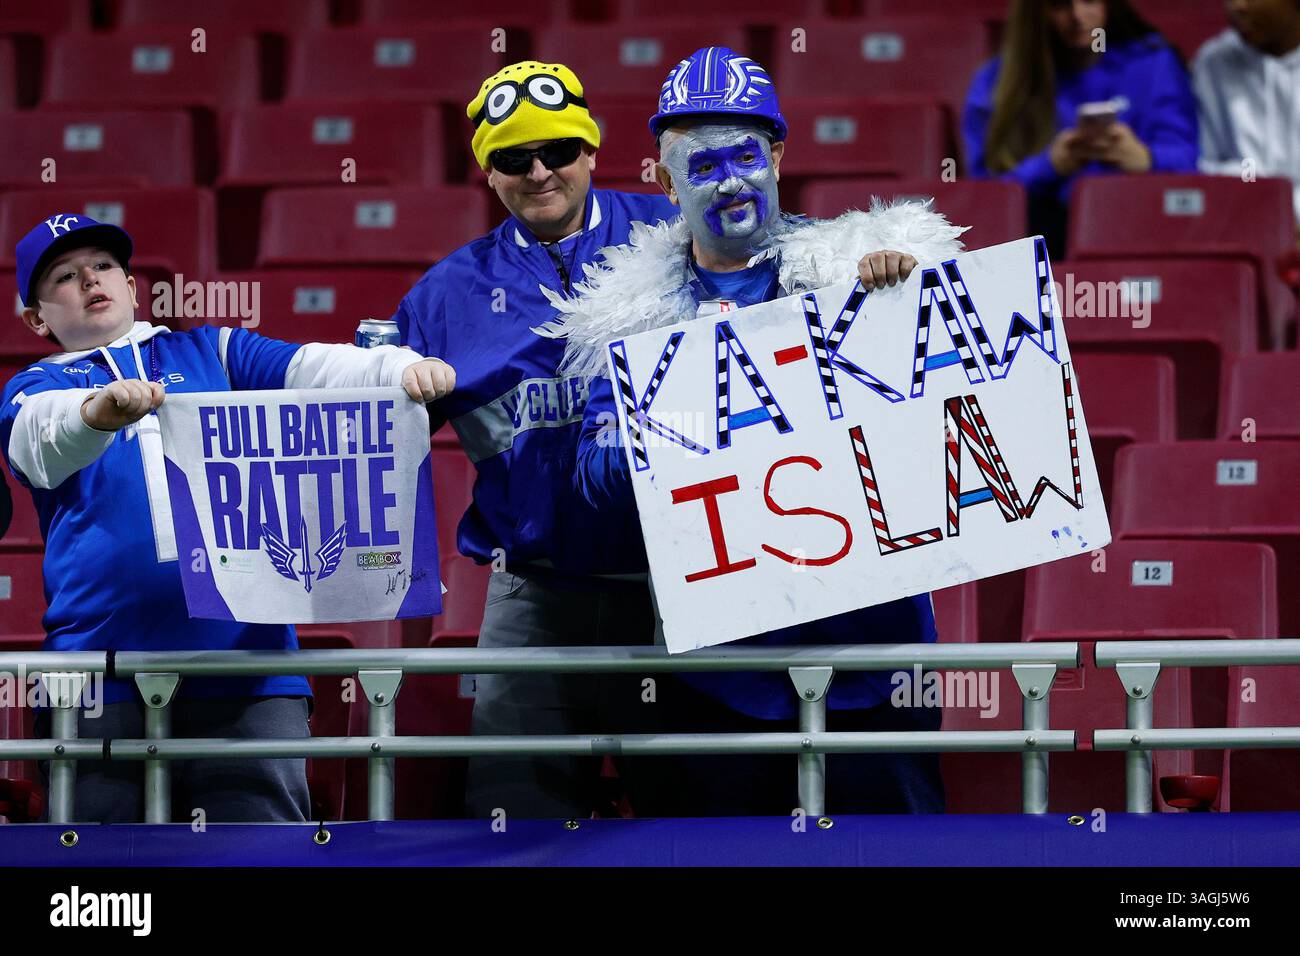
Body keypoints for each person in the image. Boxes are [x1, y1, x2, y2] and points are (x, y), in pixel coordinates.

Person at [542, 46, 967, 815]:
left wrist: (911, 304)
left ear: (778, 156)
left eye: (747, 156)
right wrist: (664, 421)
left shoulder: (865, 271)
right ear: (665, 182)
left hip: (873, 656)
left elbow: (951, 426)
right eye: (702, 166)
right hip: (716, 672)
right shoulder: (626, 321)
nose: (732, 181)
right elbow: (595, 490)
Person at [1, 213, 454, 823]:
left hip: (247, 657)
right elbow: (42, 437)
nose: (89, 279)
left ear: (133, 286)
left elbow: (313, 370)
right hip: (91, 670)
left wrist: (397, 369)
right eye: (63, 276)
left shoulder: (210, 349)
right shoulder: (31, 388)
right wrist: (96, 413)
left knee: (257, 850)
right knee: (98, 863)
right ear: (35, 317)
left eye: (103, 266)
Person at [391, 61, 681, 819]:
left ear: (592, 150)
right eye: (514, 159)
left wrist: (879, 261)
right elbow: (379, 442)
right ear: (488, 173)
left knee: (691, 816)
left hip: (679, 583)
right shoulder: (445, 296)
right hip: (534, 591)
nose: (540, 171)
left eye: (557, 149)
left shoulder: (675, 238)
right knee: (515, 817)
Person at [962, 0, 1199, 257]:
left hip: (1142, 228)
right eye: (1060, 4)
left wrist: (1145, 159)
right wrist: (1050, 166)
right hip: (1041, 241)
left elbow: (1192, 162)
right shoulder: (996, 81)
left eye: (1089, 0)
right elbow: (984, 200)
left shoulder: (1153, 62)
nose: (1077, 15)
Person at [1193, 0, 1300, 228]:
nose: (1236, 7)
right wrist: (1255, 185)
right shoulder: (1214, 61)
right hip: (1242, 223)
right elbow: (1207, 163)